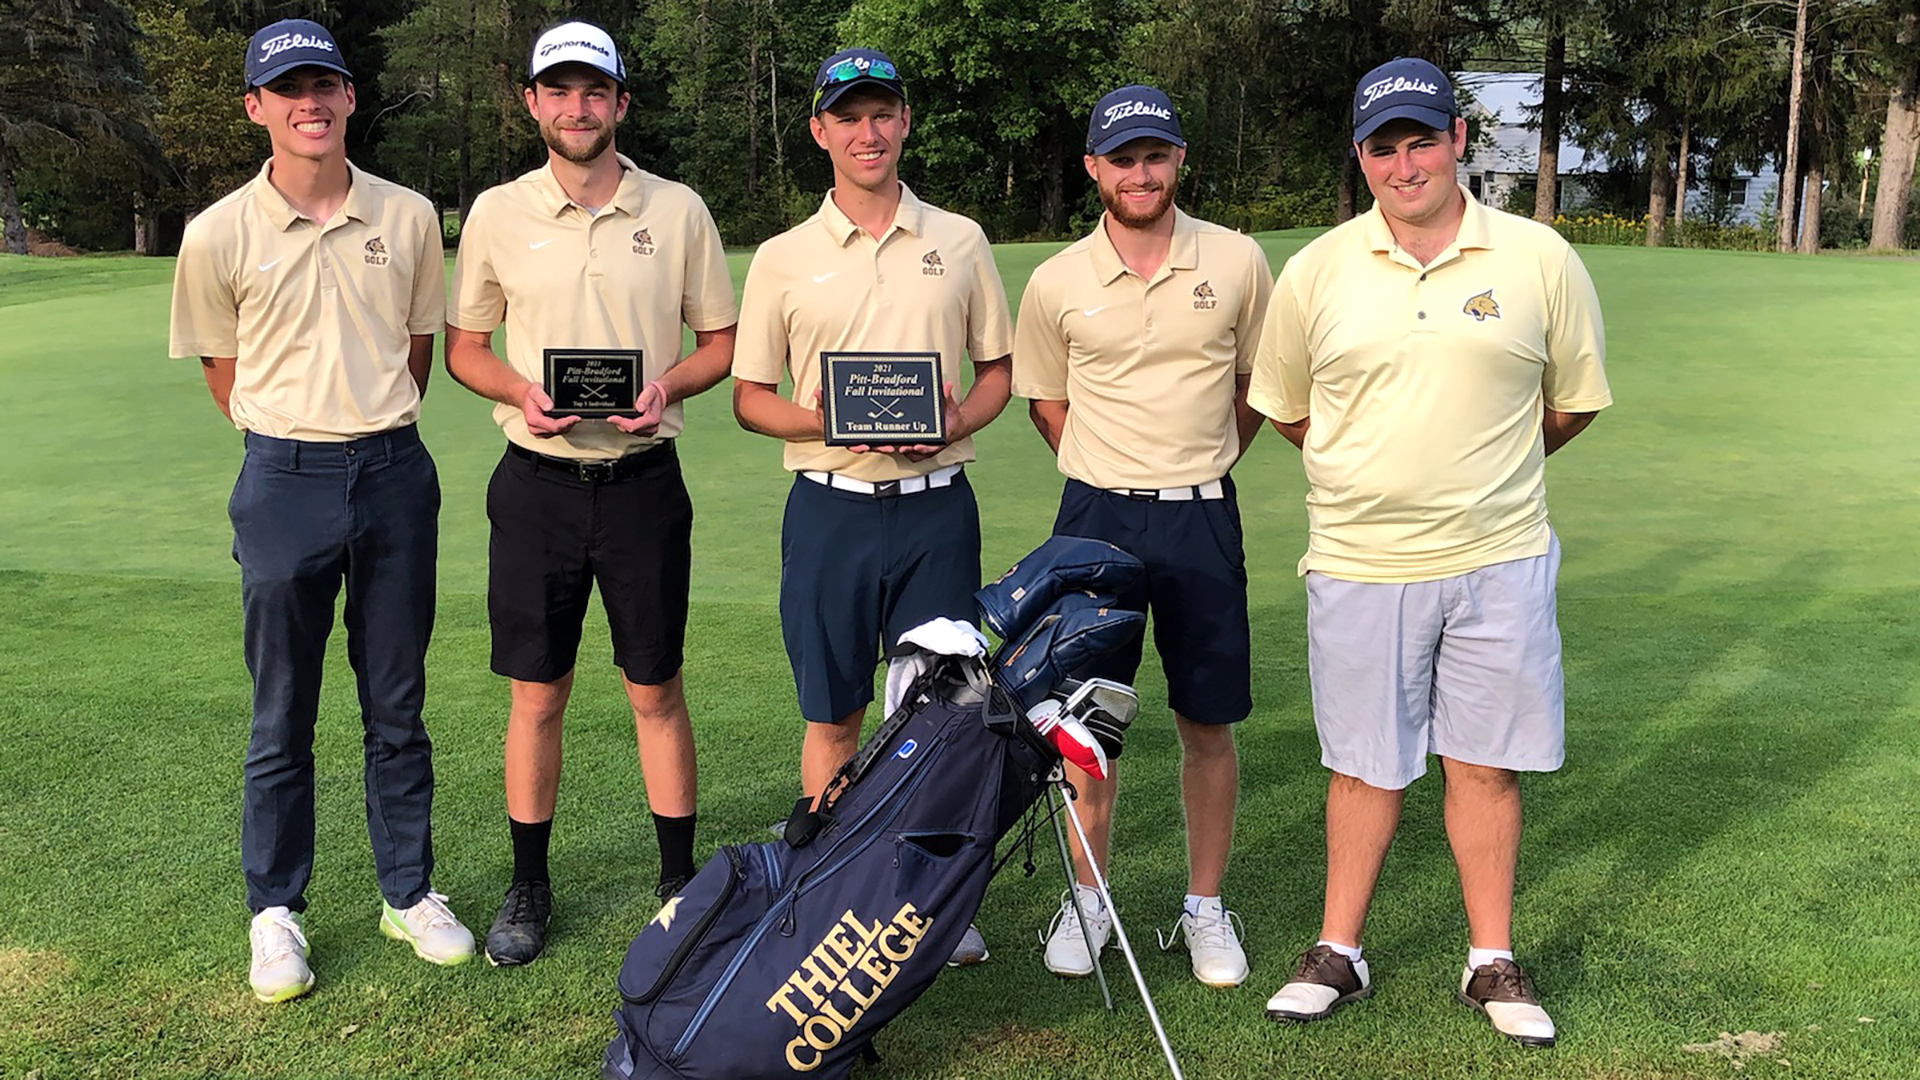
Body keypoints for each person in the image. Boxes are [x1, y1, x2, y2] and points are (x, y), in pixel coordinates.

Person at [1249, 58, 1611, 1046]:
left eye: (1421, 139)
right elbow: (1287, 410)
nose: (1405, 163)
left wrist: (1482, 471)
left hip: (1498, 557)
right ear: (1360, 156)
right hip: (1362, 563)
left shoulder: (1538, 257)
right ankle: (1340, 951)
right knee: (1365, 767)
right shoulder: (1317, 268)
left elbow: (1572, 401)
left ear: (1457, 138)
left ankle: (1489, 959)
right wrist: (1376, 473)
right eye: (1383, 145)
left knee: (1484, 764)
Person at [169, 18, 474, 1003]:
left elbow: (416, 353)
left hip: (393, 472)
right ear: (256, 105)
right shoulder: (217, 233)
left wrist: (363, 433)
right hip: (281, 478)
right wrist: (295, 442)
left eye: (325, 84)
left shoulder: (410, 216)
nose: (310, 102)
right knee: (280, 709)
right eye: (287, 87)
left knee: (396, 702)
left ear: (350, 97)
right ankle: (275, 911)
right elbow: (225, 373)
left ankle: (406, 890)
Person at [444, 20, 738, 967]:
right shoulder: (495, 211)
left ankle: (677, 882)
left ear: (620, 102)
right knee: (538, 693)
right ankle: (529, 885)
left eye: (594, 91)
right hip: (535, 487)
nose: (578, 108)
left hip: (645, 481)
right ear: (533, 103)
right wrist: (518, 392)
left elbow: (720, 342)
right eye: (558, 91)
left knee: (655, 686)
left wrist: (671, 387)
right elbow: (465, 349)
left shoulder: (680, 209)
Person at [731, 47, 1012, 966]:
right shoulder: (781, 257)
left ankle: (930, 902)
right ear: (819, 130)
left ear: (903, 121)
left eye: (881, 112)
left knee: (939, 714)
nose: (867, 131)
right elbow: (749, 396)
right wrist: (829, 421)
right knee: (835, 713)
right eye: (847, 116)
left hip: (937, 508)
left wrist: (954, 420)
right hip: (830, 507)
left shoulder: (960, 239)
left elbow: (997, 373)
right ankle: (828, 892)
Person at [1011, 85, 1271, 989]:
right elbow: (1047, 401)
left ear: (1180, 160)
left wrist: (1195, 464)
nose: (1140, 173)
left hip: (1202, 512)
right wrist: (1108, 470)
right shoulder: (1054, 281)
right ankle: (1090, 901)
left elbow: (1255, 389)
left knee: (1207, 720)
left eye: (1155, 155)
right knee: (1087, 728)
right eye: (1122, 158)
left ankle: (1205, 909)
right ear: (1094, 168)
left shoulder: (1237, 261)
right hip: (1095, 517)